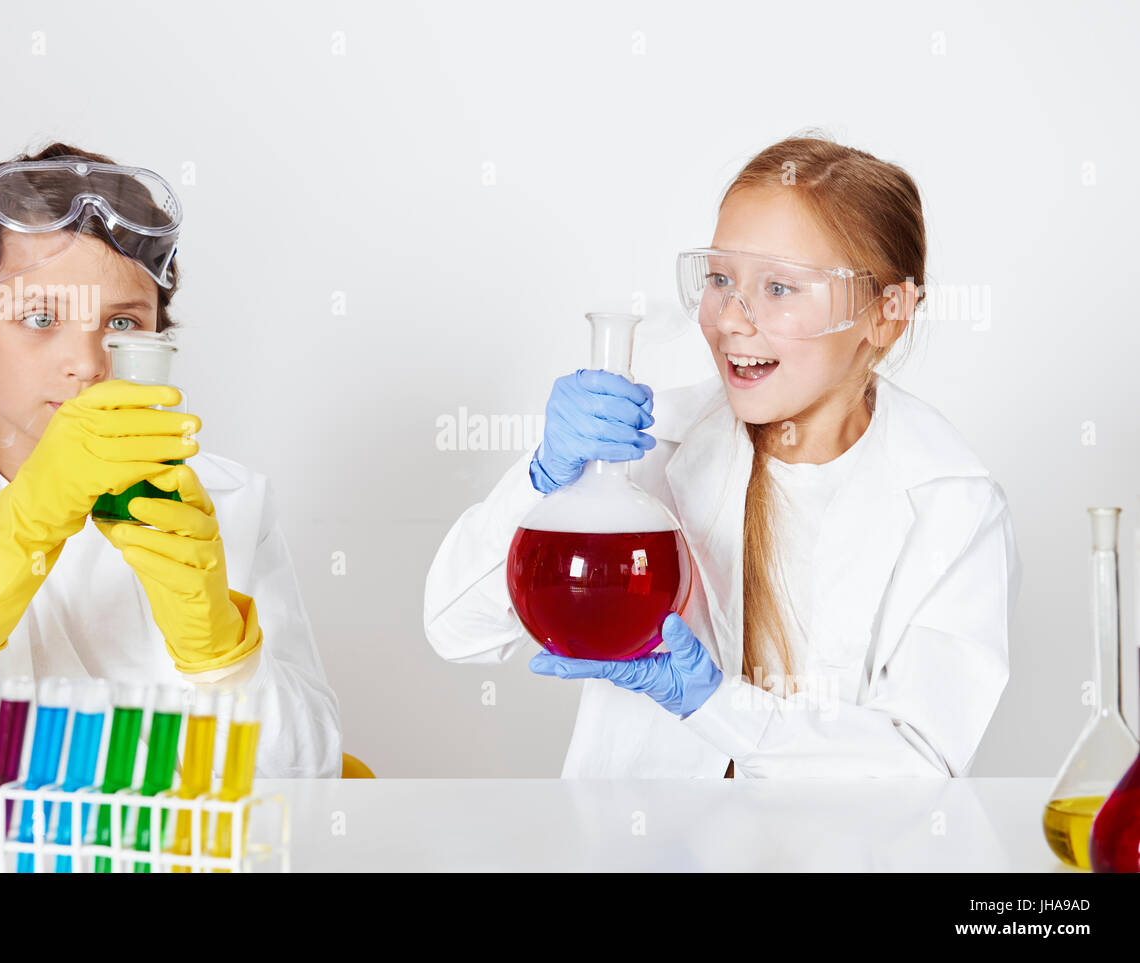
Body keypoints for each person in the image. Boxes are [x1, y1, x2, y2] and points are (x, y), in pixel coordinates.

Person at [425, 135, 1021, 778]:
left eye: (780, 288)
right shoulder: (641, 448)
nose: (732, 319)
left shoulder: (951, 502)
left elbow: (920, 764)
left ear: (886, 313)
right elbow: (459, 630)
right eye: (719, 279)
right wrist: (544, 478)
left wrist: (716, 705)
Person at [0, 144, 342, 784]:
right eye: (40, 317)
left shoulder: (232, 501)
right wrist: (14, 532)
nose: (88, 362)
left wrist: (221, 657)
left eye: (123, 321)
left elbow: (309, 773)